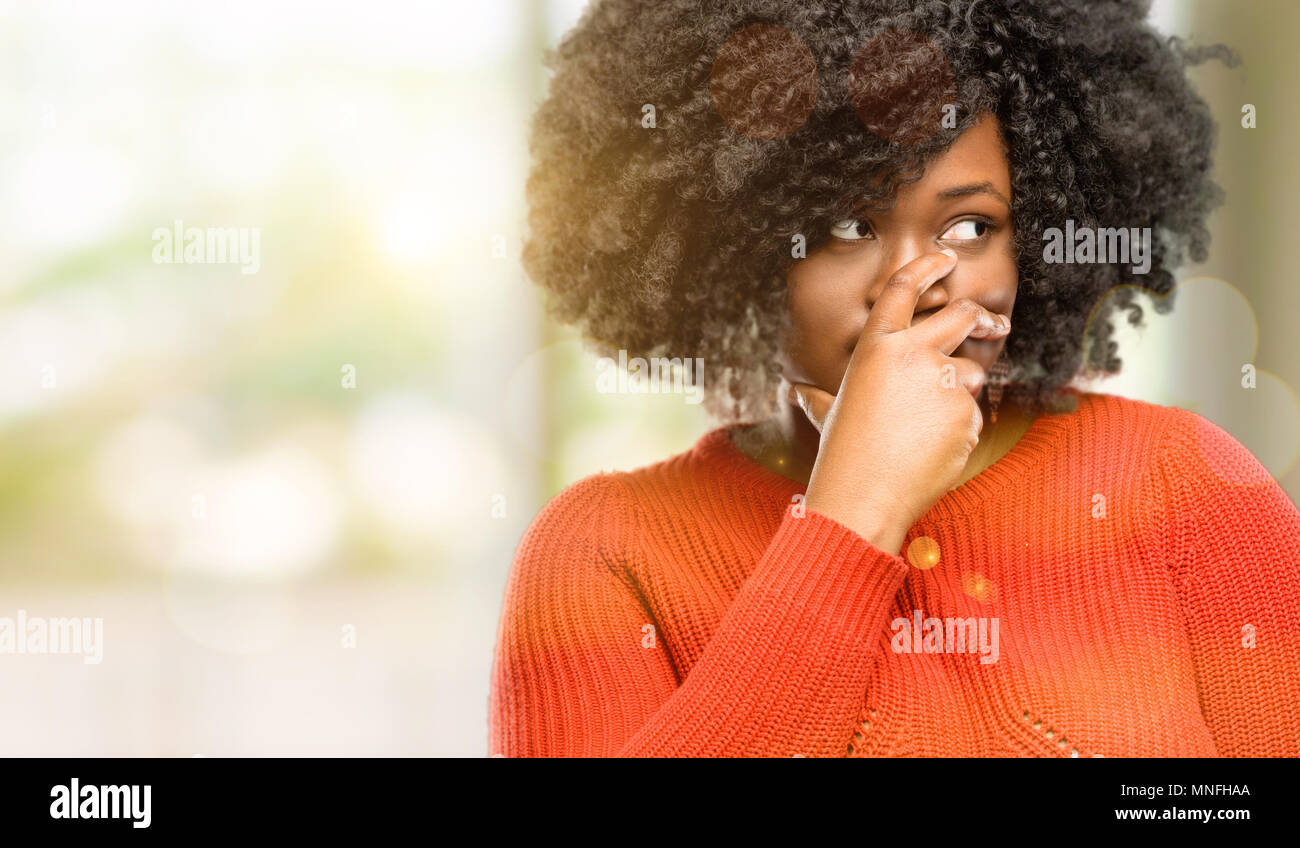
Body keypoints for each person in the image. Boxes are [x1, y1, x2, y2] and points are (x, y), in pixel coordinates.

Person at [489, 0, 1300, 757]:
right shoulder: (602, 556)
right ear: (731, 247)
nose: (919, 281)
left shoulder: (1191, 490)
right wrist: (853, 513)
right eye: (847, 227)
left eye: (972, 226)